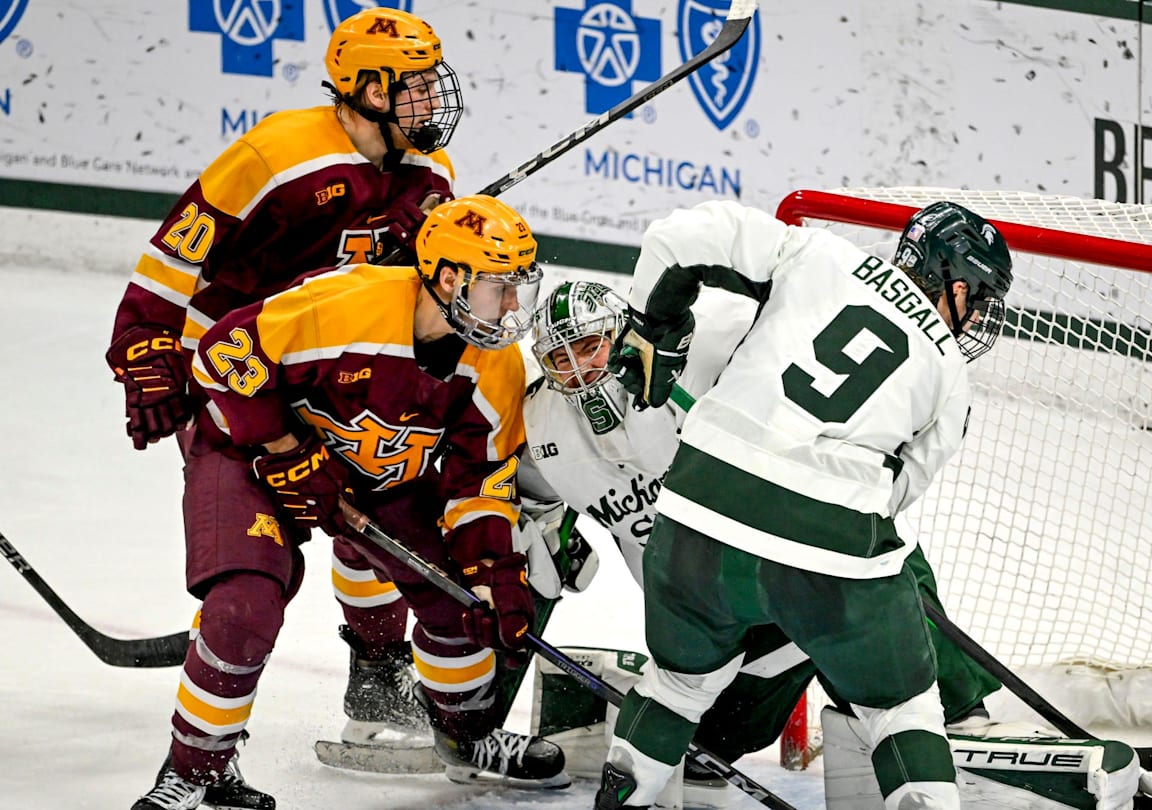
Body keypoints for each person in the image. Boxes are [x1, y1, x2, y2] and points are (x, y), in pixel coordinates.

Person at [103, 8, 512, 793]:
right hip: (243, 376)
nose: (432, 99)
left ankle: (376, 671)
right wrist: (147, 347)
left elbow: (405, 289)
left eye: (433, 81)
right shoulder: (276, 154)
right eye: (414, 84)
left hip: (339, 384)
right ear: (363, 87)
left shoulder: (431, 174)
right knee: (252, 583)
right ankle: (212, 725)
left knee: (373, 517)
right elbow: (174, 254)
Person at [128, 195, 569, 810]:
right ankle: (198, 770)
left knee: (458, 601)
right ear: (449, 279)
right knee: (243, 607)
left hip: (371, 476)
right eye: (501, 287)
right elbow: (223, 357)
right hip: (248, 456)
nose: (515, 305)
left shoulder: (495, 366)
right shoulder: (344, 305)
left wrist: (492, 571)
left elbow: (479, 482)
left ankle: (469, 739)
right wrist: (286, 449)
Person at [587, 199, 1013, 810]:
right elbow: (895, 496)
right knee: (902, 710)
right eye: (980, 298)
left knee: (676, 687)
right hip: (825, 546)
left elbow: (676, 236)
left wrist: (655, 327)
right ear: (957, 281)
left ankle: (623, 793)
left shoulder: (818, 251)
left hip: (693, 512)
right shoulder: (951, 373)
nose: (976, 317)